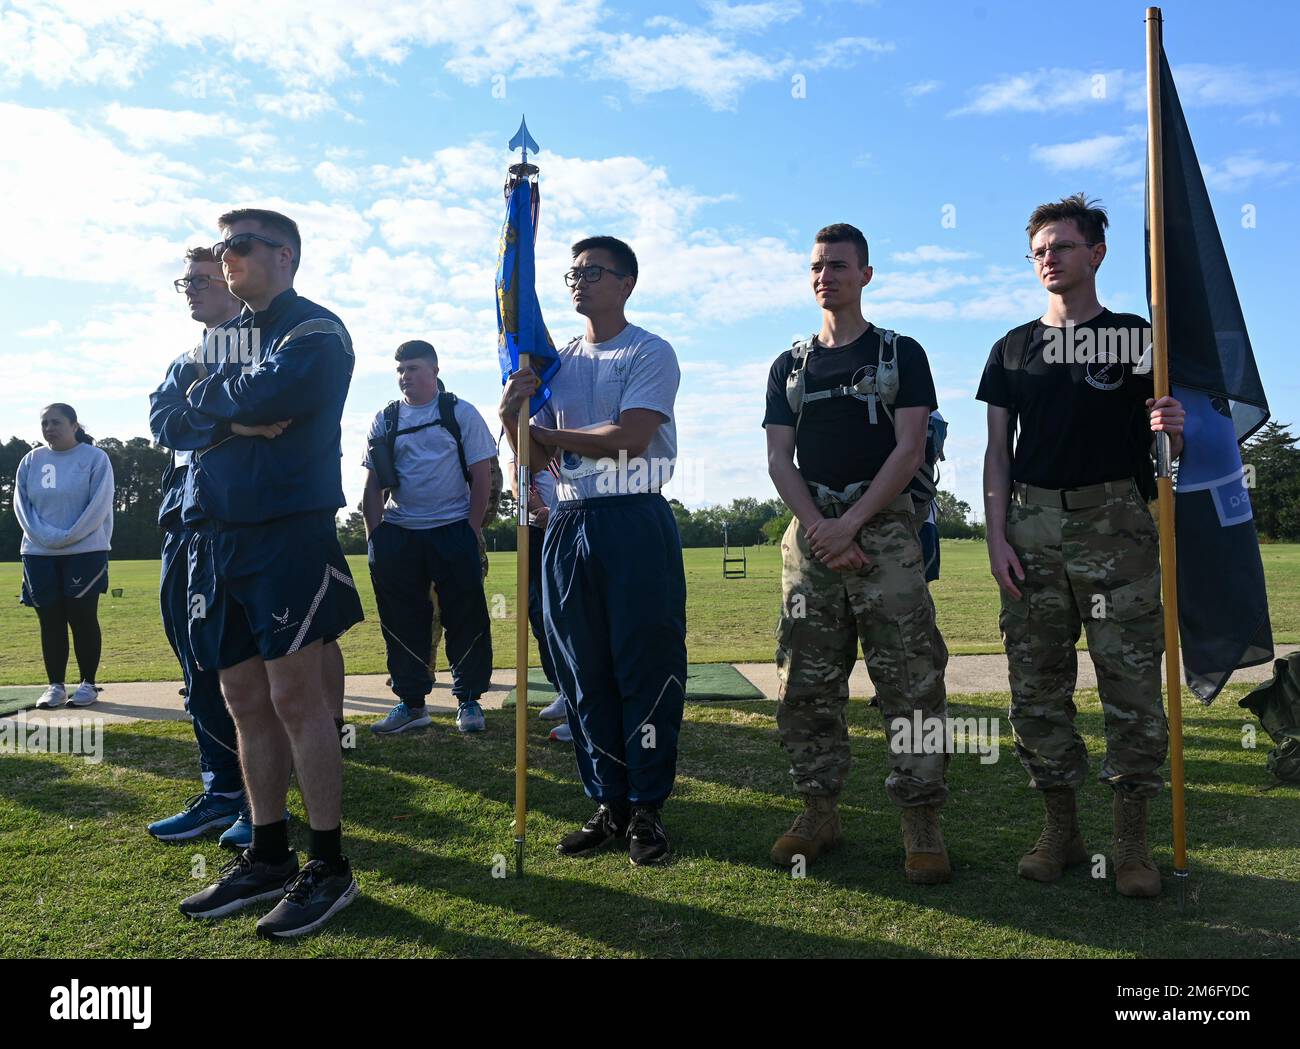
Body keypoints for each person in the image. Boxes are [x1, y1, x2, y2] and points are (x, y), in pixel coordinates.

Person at [154, 208, 363, 938]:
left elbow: (269, 396)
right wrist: (232, 417)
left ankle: (329, 866)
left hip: (286, 530)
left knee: (296, 696)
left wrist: (218, 406)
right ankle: (268, 853)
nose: (225, 257)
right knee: (242, 696)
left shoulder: (315, 329)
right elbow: (161, 419)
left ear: (283, 256)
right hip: (215, 533)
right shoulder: (214, 341)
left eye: (237, 246)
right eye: (220, 247)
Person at [977, 193, 1185, 898]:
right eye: (1039, 249)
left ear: (1096, 253)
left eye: (1062, 246)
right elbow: (997, 453)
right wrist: (995, 534)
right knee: (1036, 686)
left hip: (1116, 523)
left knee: (1129, 685)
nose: (1049, 259)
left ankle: (1131, 840)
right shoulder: (1011, 347)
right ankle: (1061, 829)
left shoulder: (1135, 337)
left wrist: (1174, 424)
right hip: (1031, 528)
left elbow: (1167, 453)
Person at [762, 223, 952, 885]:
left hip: (887, 535)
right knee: (805, 684)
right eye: (817, 266)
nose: (825, 276)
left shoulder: (902, 353)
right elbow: (778, 459)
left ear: (866, 274)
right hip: (811, 539)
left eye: (839, 265)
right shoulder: (789, 365)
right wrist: (820, 526)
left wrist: (855, 523)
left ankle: (920, 819)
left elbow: (909, 447)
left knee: (911, 681)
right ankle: (818, 811)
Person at [500, 235, 686, 867]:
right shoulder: (555, 361)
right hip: (569, 520)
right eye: (571, 273)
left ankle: (648, 809)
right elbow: (534, 458)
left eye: (593, 272)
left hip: (633, 518)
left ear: (626, 283)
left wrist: (546, 431)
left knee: (645, 665)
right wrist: (511, 418)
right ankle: (608, 802)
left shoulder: (649, 351)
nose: (578, 282)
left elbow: (633, 434)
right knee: (582, 671)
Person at [146, 248, 247, 844]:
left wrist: (225, 419)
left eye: (201, 280)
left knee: (239, 662)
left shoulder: (262, 345)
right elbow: (163, 421)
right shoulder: (185, 358)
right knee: (193, 657)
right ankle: (221, 787)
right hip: (182, 519)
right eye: (184, 281)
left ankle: (258, 796)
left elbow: (269, 410)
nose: (189, 290)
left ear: (233, 281)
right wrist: (231, 425)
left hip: (237, 521)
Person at [362, 340, 495, 735]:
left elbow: (483, 475)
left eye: (414, 368)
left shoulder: (460, 413)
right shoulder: (385, 419)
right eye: (400, 370)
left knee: (465, 617)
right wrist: (375, 538)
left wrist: (470, 530)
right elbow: (372, 486)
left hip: (453, 530)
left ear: (435, 370)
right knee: (402, 622)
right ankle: (411, 703)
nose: (406, 377)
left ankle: (469, 701)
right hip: (400, 534)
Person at [14, 404, 113, 710]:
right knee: (50, 620)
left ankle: (87, 683)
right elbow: (22, 505)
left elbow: (99, 506)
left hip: (85, 551)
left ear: (74, 425)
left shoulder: (95, 458)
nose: (49, 429)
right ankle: (55, 685)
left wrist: (67, 537)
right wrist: (45, 538)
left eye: (55, 422)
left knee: (82, 617)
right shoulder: (31, 460)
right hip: (38, 553)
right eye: (44, 423)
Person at [504, 452, 569, 739]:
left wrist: (554, 512)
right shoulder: (525, 416)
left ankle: (583, 699)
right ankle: (564, 690)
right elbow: (516, 473)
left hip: (575, 519)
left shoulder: (569, 416)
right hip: (536, 528)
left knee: (575, 613)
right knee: (541, 614)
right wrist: (538, 507)